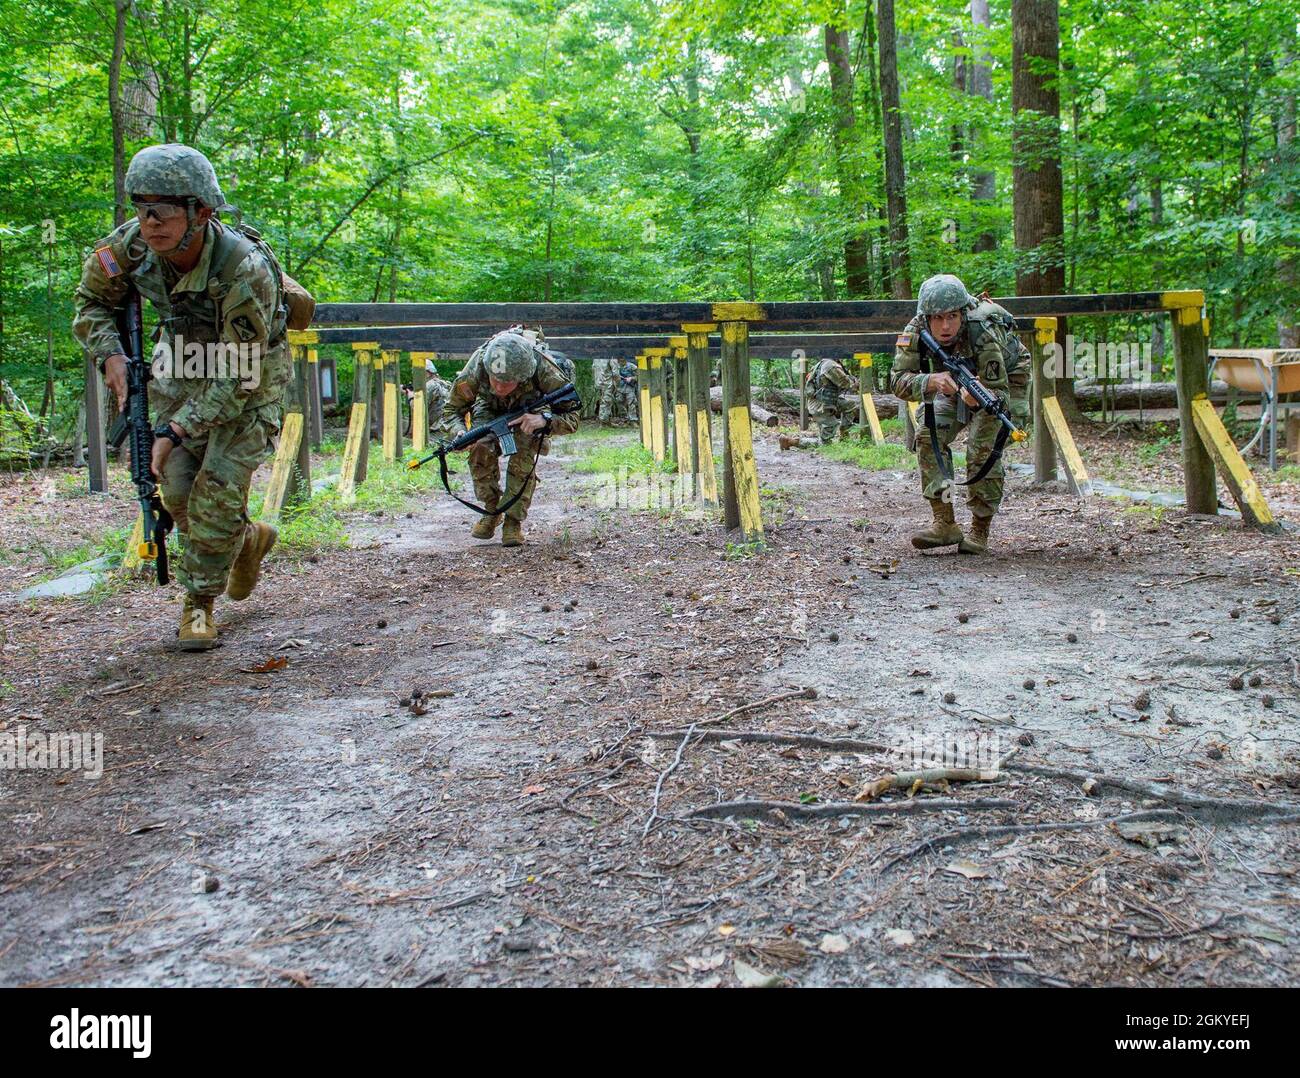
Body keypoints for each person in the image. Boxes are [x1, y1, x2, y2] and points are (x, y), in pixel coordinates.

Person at [72, 143, 291, 649]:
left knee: (214, 498)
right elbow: (90, 300)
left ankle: (199, 603)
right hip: (180, 377)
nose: (150, 223)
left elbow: (241, 374)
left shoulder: (243, 269)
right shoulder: (129, 247)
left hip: (249, 384)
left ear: (201, 213)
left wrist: (174, 431)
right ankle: (248, 539)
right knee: (176, 494)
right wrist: (109, 354)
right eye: (142, 209)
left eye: (163, 211)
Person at [890, 274, 1016, 555]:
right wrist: (930, 381)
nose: (945, 326)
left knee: (982, 449)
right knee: (927, 434)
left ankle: (980, 527)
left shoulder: (982, 331)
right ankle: (945, 522)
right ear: (926, 317)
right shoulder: (915, 329)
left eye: (952, 317)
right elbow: (897, 381)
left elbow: (1003, 395)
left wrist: (983, 398)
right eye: (937, 318)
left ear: (963, 313)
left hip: (1003, 382)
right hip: (951, 383)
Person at [437, 329, 579, 547]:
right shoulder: (477, 368)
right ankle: (492, 509)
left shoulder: (544, 371)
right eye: (495, 381)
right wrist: (459, 432)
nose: (500, 387)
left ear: (523, 377)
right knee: (479, 447)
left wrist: (545, 420)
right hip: (488, 406)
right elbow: (451, 410)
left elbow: (572, 416)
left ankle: (513, 520)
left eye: (507, 382)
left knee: (523, 450)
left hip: (531, 408)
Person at [807, 356, 855, 444]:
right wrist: (854, 382)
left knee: (849, 405)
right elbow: (846, 383)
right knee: (830, 429)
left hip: (822, 401)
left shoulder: (821, 364)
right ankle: (795, 442)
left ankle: (844, 436)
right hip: (821, 404)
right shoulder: (830, 365)